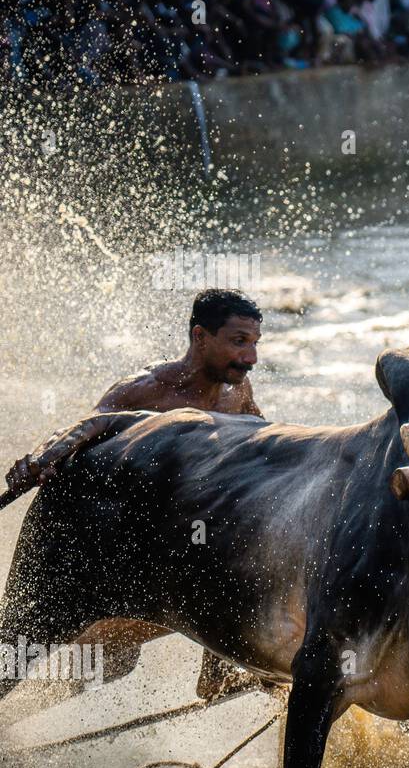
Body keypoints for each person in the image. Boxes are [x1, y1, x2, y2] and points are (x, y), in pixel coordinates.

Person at [5, 289, 266, 701]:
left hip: (170, 543)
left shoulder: (238, 395)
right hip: (94, 539)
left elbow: (264, 450)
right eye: (238, 342)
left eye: (254, 344)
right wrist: (39, 461)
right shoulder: (146, 391)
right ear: (200, 337)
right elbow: (81, 433)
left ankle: (219, 671)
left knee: (240, 547)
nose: (250, 358)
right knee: (16, 652)